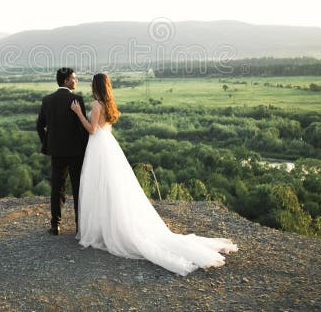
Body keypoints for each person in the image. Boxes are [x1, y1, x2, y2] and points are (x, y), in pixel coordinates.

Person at [70, 73, 237, 276]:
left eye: (91, 82)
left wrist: (79, 114)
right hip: (109, 146)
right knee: (112, 188)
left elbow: (92, 130)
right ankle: (108, 227)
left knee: (100, 187)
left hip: (98, 146)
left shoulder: (97, 105)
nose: (89, 85)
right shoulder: (108, 104)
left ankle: (103, 230)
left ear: (96, 86)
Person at [36, 67, 89, 235]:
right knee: (78, 188)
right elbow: (83, 129)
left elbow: (39, 126)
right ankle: (80, 227)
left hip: (56, 152)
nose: (76, 80)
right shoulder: (77, 99)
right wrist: (86, 149)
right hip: (76, 152)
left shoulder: (47, 100)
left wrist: (48, 144)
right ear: (66, 81)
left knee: (57, 188)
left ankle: (55, 225)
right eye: (74, 78)